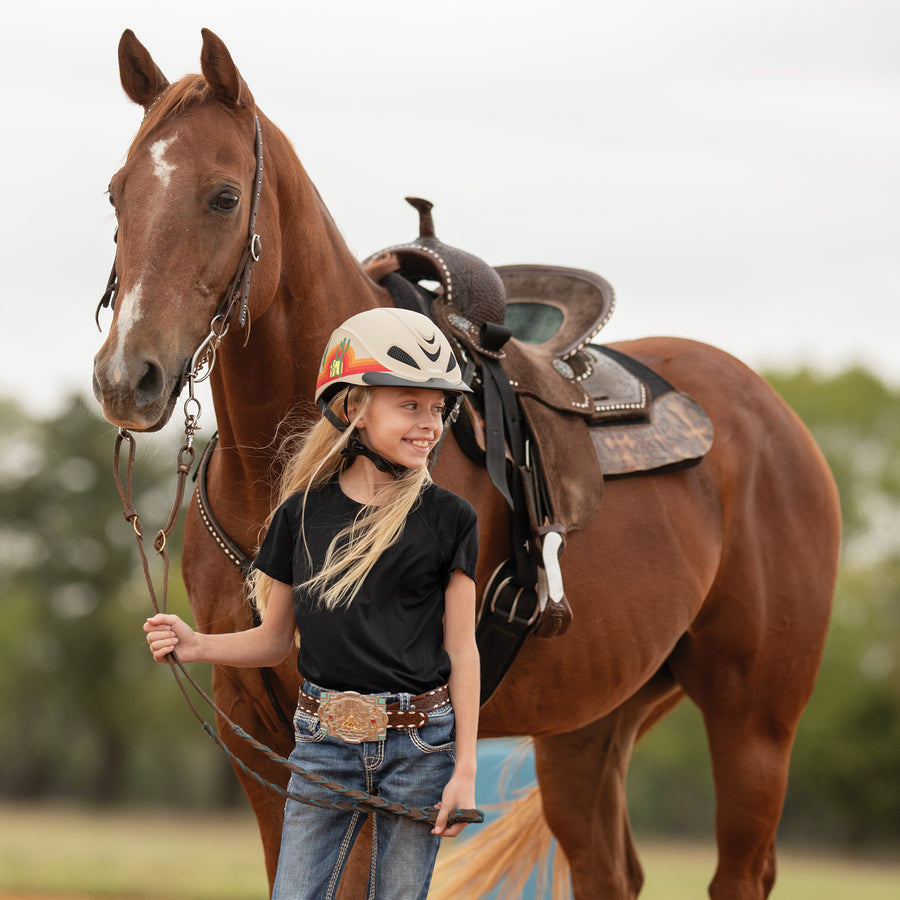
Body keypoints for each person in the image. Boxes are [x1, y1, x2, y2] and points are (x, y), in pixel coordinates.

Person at [144, 307, 480, 900]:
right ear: (354, 407)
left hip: (420, 743)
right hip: (324, 742)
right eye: (410, 405)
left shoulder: (451, 519)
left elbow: (462, 649)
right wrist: (197, 645)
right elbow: (276, 641)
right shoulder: (299, 517)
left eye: (438, 407)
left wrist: (465, 771)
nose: (430, 423)